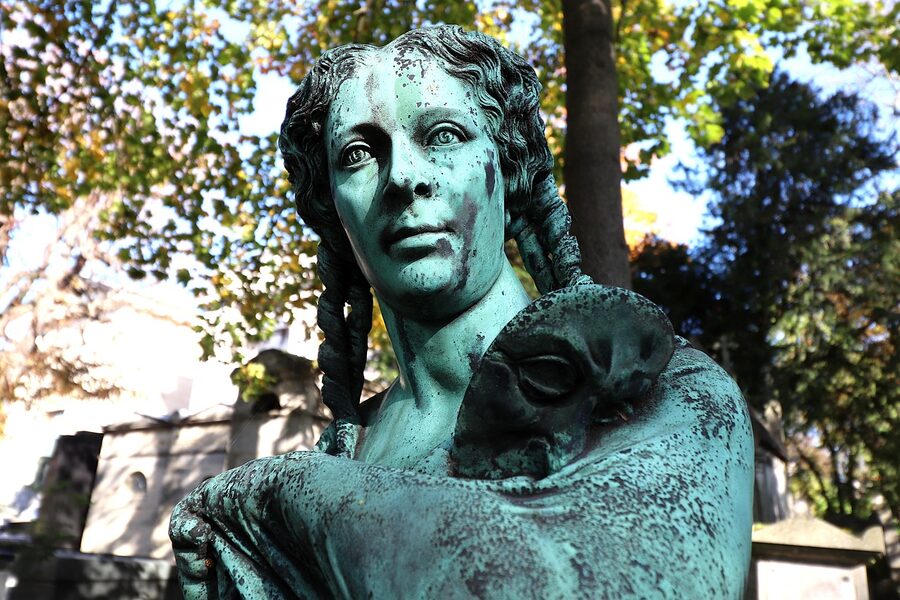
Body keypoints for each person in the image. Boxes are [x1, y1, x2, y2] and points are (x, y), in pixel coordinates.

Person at [170, 25, 753, 599]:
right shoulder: (344, 448)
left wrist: (283, 492)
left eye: (443, 135)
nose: (402, 177)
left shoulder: (666, 390)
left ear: (509, 170)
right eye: (357, 154)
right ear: (334, 216)